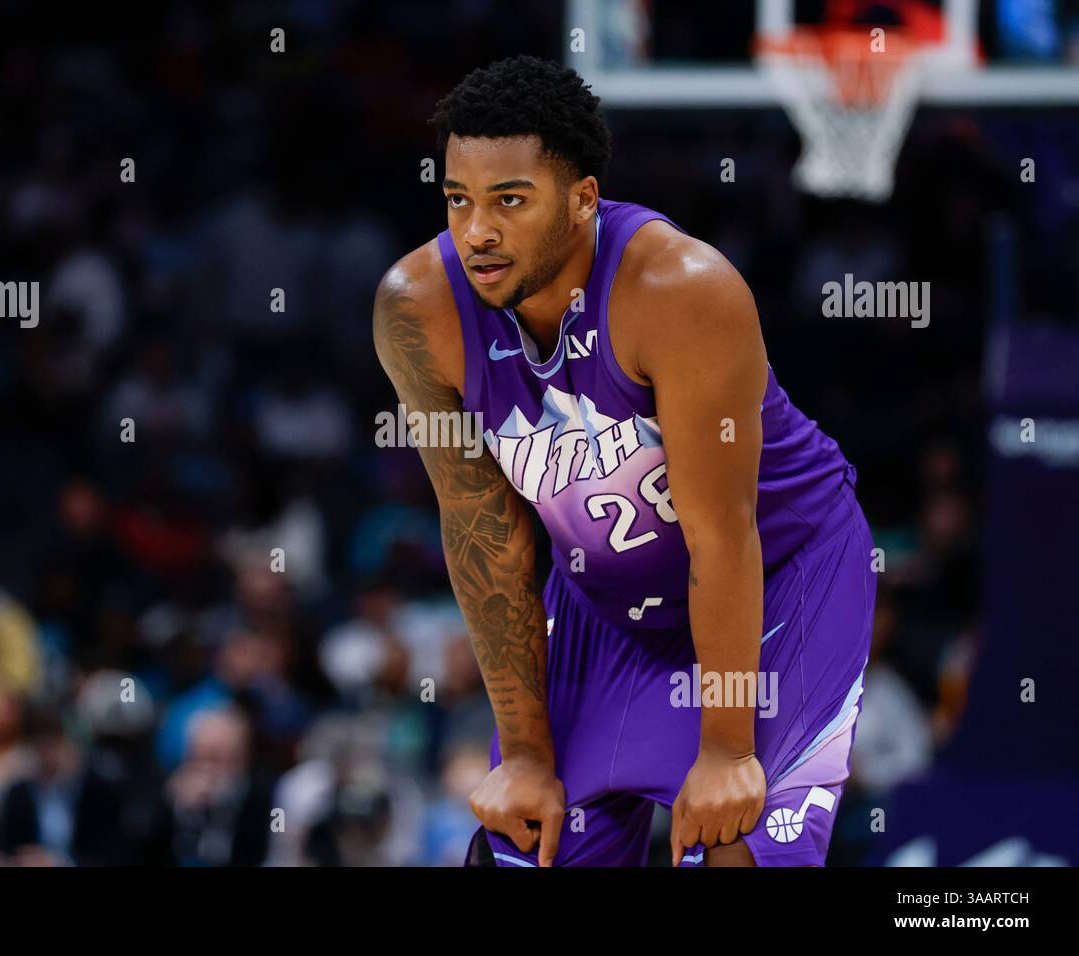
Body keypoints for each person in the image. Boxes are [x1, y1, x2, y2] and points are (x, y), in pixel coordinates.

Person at [372, 55, 876, 867]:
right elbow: (482, 534)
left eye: (510, 200)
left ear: (582, 200)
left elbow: (723, 532)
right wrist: (527, 755)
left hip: (776, 576)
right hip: (604, 598)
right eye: (459, 200)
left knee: (737, 852)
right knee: (523, 849)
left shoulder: (680, 289)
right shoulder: (416, 308)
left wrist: (723, 750)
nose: (478, 232)